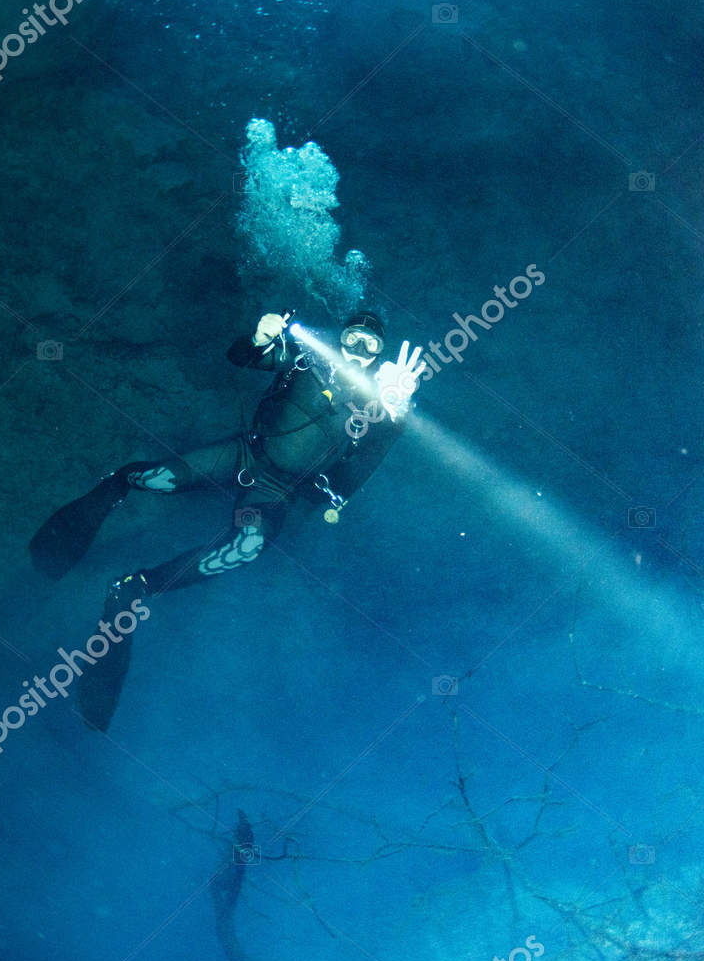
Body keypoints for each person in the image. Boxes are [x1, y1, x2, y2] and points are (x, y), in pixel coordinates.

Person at [29, 309, 424, 729]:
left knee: (245, 549)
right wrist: (257, 338)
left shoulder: (377, 405)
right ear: (339, 337)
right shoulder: (308, 358)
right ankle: (116, 485)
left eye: (371, 345)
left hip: (275, 491)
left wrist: (395, 416)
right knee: (155, 478)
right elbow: (240, 357)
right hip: (242, 455)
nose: (359, 350)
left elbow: (349, 479)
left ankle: (135, 587)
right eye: (353, 338)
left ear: (381, 354)